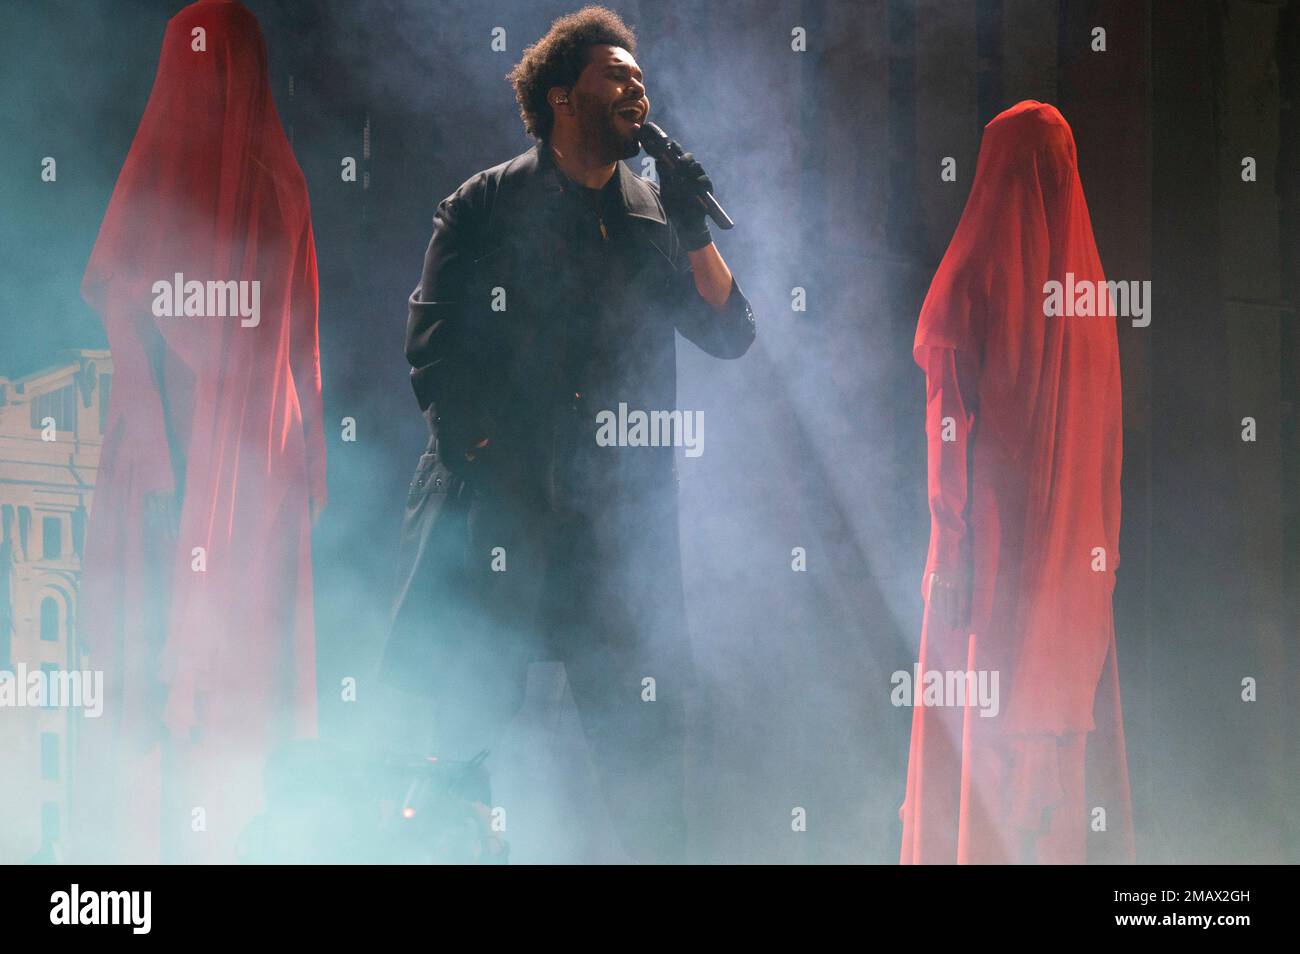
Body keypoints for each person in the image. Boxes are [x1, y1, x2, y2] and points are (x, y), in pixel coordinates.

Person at [381, 6, 755, 863]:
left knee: (643, 751)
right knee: (457, 743)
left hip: (614, 540)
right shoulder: (485, 203)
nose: (637, 88)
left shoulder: (650, 212)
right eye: (615, 76)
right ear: (561, 97)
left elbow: (731, 333)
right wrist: (488, 459)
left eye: (641, 78)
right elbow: (433, 350)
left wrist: (694, 228)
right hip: (497, 522)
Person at [76, 0, 324, 863]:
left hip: (239, 451)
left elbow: (298, 332)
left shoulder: (276, 177)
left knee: (219, 682)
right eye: (202, 57)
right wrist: (154, 433)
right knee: (157, 670)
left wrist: (293, 459)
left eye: (225, 57)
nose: (212, 75)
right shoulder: (196, 168)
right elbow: (117, 291)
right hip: (181, 450)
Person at [900, 101, 1134, 864]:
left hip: (987, 565)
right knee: (1051, 739)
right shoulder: (1093, 300)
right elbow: (1109, 455)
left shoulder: (970, 279)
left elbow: (949, 431)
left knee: (981, 733)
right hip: (1073, 565)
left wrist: (952, 552)